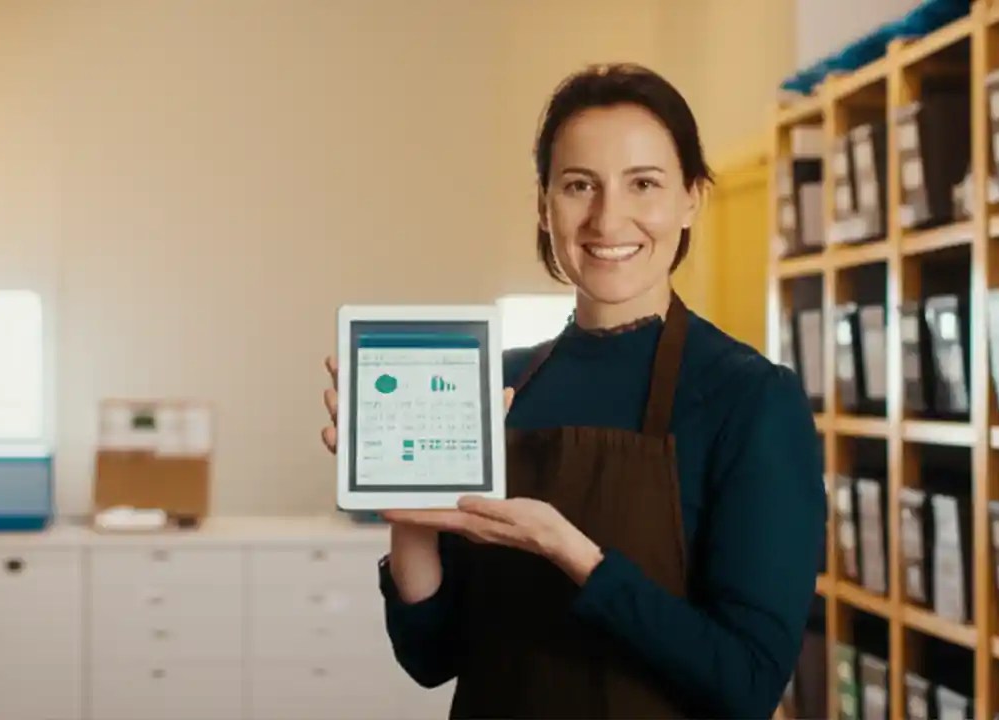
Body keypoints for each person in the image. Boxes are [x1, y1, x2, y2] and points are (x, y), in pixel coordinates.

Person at [320, 63, 825, 719]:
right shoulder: (495, 383)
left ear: (691, 198)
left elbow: (747, 684)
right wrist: (410, 515)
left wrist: (571, 552)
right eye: (579, 185)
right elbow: (430, 658)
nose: (608, 219)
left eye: (643, 183)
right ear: (544, 204)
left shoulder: (751, 399)